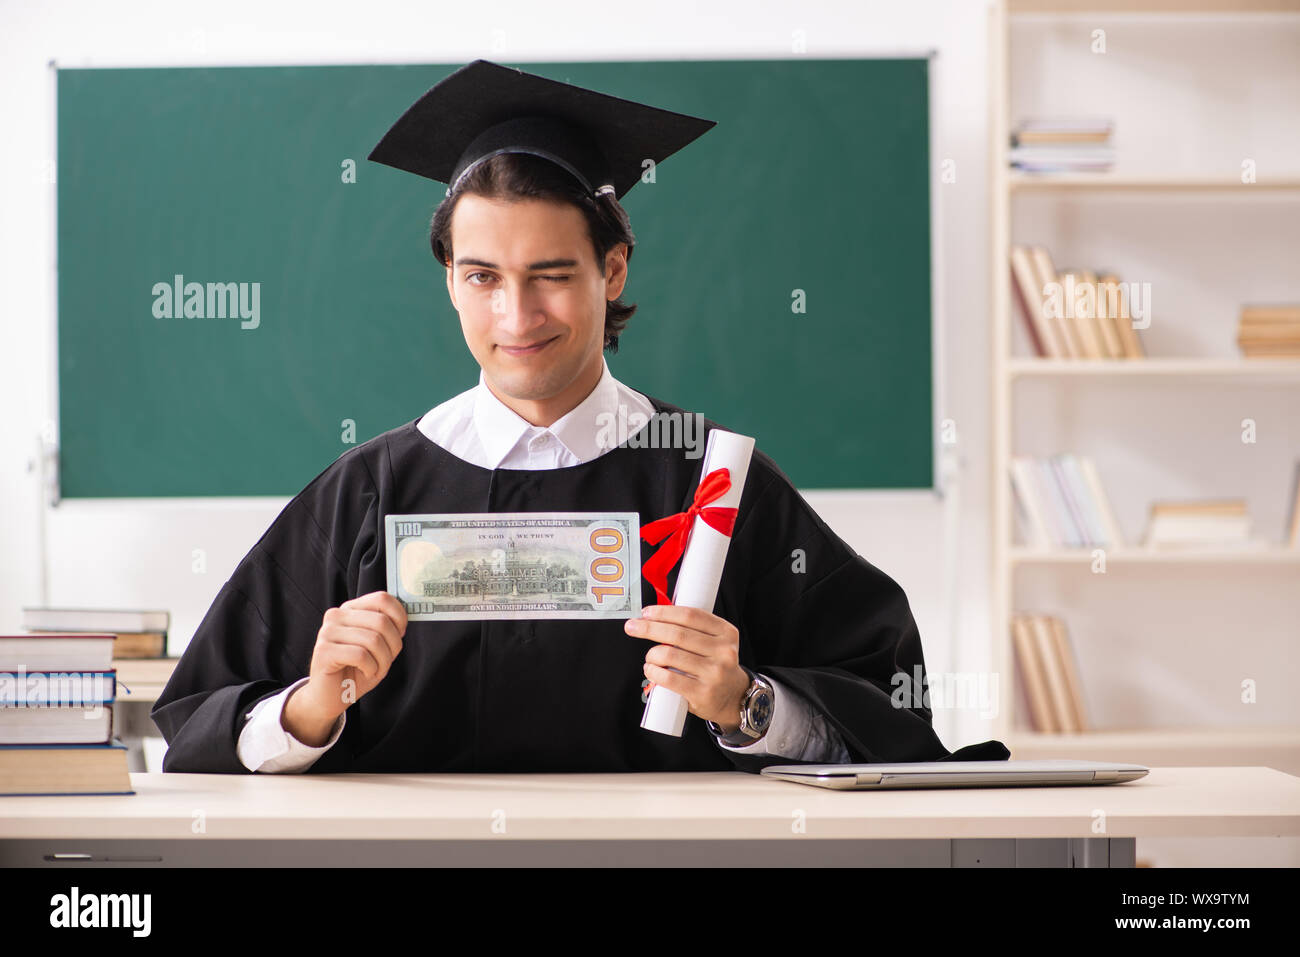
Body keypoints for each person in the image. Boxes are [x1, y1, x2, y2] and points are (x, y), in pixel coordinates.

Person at [152, 59, 1007, 774]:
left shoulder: (712, 480)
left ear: (615, 268)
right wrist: (309, 707)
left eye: (552, 273)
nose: (517, 317)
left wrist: (743, 702)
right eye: (483, 276)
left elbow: (888, 715)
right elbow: (197, 719)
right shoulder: (370, 491)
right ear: (450, 278)